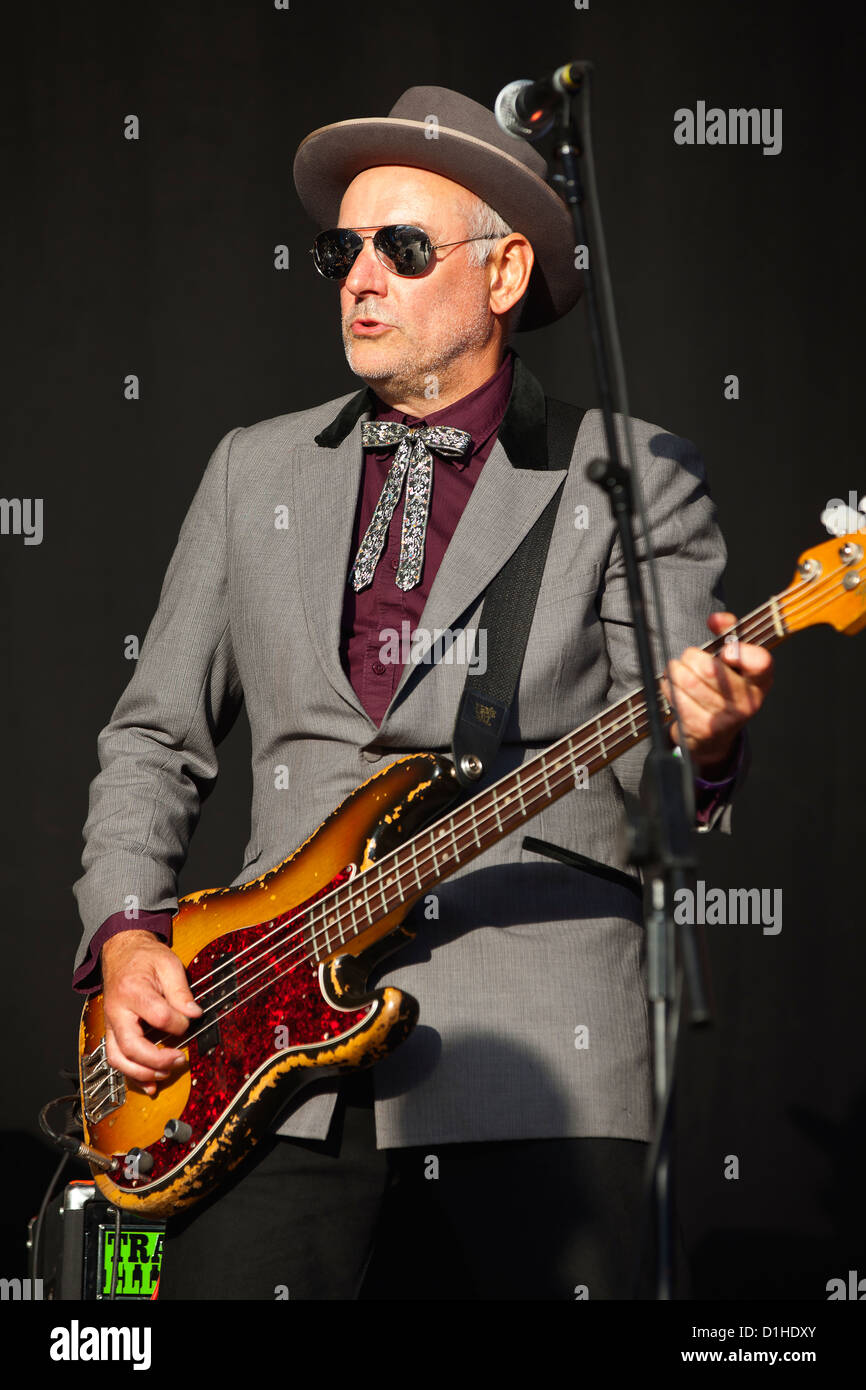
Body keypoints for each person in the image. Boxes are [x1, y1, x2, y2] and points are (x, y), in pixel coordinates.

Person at [71, 86, 773, 1300]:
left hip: (532, 1063)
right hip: (251, 1063)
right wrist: (128, 934)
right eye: (341, 251)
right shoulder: (254, 469)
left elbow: (663, 767)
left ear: (503, 277)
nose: (359, 278)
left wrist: (704, 742)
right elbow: (152, 735)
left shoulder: (627, 471)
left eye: (401, 249)